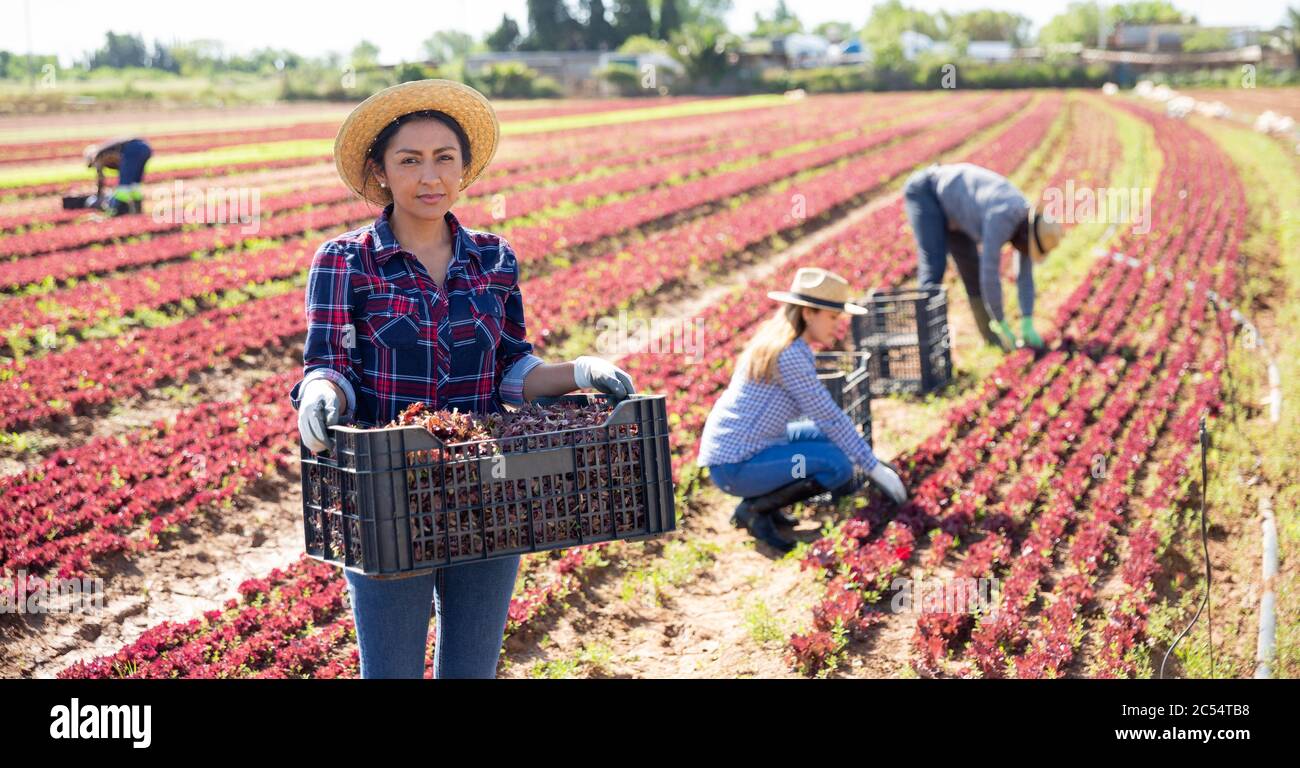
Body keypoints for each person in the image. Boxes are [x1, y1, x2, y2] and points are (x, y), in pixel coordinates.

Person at [288, 79, 636, 679]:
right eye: (410, 160)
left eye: (445, 158)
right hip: (390, 493)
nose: (430, 177)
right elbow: (332, 363)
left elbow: (511, 369)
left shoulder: (493, 258)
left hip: (487, 487)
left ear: (465, 168)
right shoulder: (345, 259)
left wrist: (578, 370)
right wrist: (321, 394)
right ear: (380, 171)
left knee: (473, 670)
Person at [696, 267, 909, 553]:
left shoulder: (780, 343)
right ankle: (756, 509)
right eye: (833, 316)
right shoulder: (790, 354)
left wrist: (870, 460)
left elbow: (826, 423)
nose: (838, 325)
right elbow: (828, 416)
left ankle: (766, 505)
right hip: (736, 465)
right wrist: (873, 467)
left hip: (747, 449)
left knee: (827, 440)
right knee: (837, 464)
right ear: (808, 313)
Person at [903, 162, 1063, 350]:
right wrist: (1001, 322)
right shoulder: (1002, 217)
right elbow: (990, 275)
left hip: (957, 212)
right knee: (934, 266)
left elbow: (1024, 276)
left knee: (972, 271)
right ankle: (927, 344)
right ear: (1027, 236)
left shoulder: (1028, 226)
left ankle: (992, 339)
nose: (1026, 253)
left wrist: (1027, 321)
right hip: (928, 193)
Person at [83, 137, 152, 216]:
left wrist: (98, 196)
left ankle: (117, 212)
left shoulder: (97, 155)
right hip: (145, 148)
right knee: (135, 185)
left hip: (133, 149)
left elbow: (100, 177)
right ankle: (137, 210)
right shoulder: (106, 150)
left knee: (123, 187)